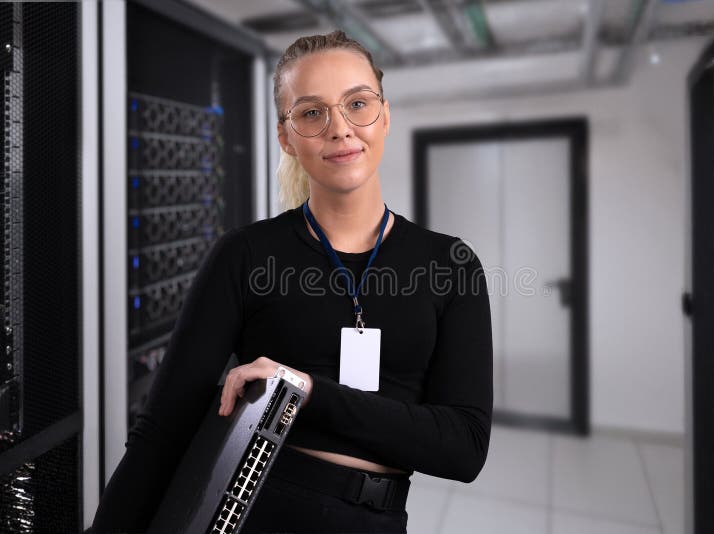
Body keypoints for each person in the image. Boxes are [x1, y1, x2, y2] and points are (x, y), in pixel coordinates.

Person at [91, 30, 493, 533]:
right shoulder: (246, 255)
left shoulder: (450, 265)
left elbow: (463, 448)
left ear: (385, 116)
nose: (340, 129)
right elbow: (160, 433)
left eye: (358, 104)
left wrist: (305, 392)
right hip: (254, 511)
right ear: (285, 135)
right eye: (311, 112)